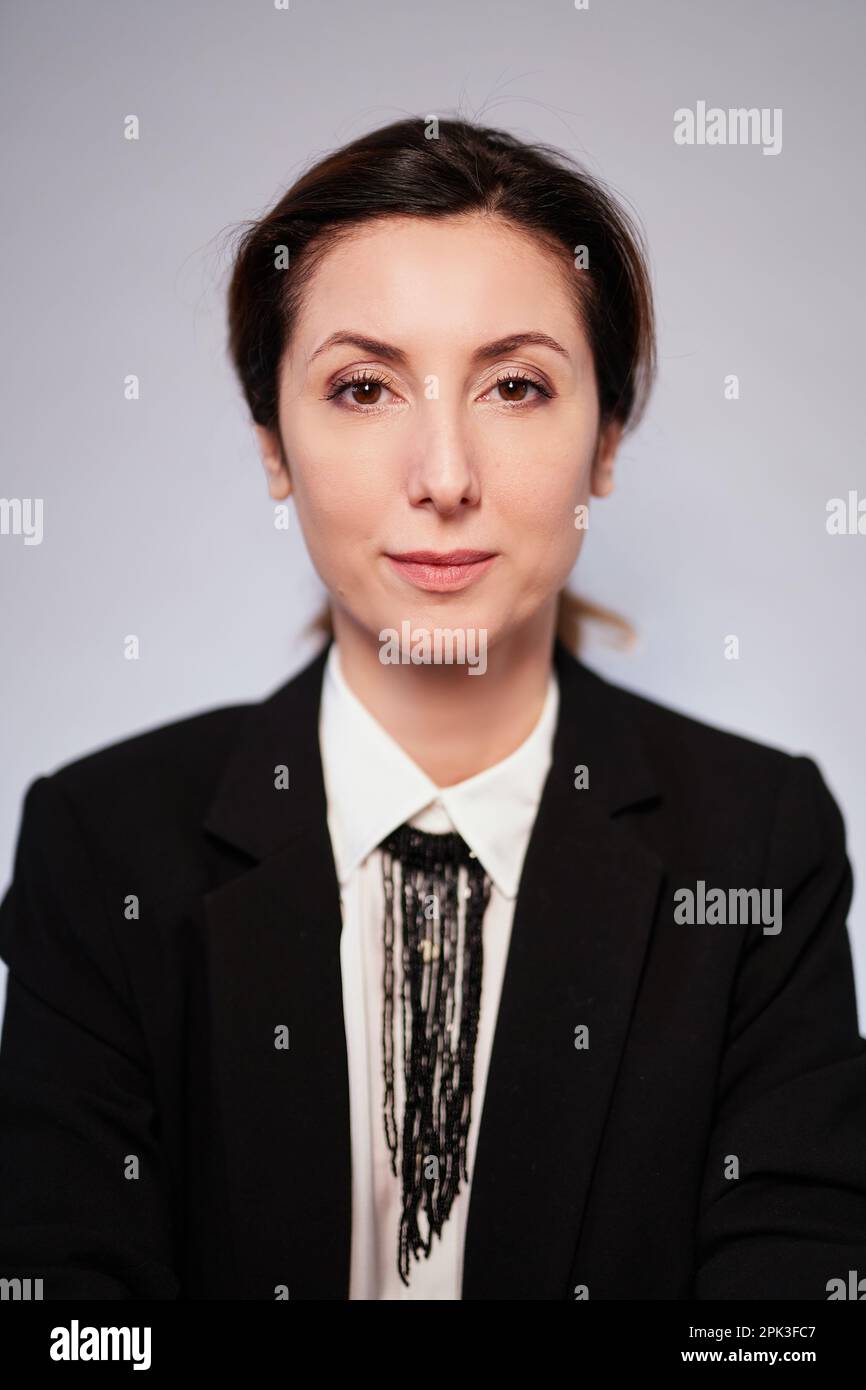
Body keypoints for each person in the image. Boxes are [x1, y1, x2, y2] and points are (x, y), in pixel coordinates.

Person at [1, 116, 865, 1301]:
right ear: (271, 444)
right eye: (362, 387)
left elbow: (787, 1321)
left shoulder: (759, 837)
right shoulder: (101, 844)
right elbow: (64, 1319)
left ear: (605, 439)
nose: (444, 475)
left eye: (516, 386)